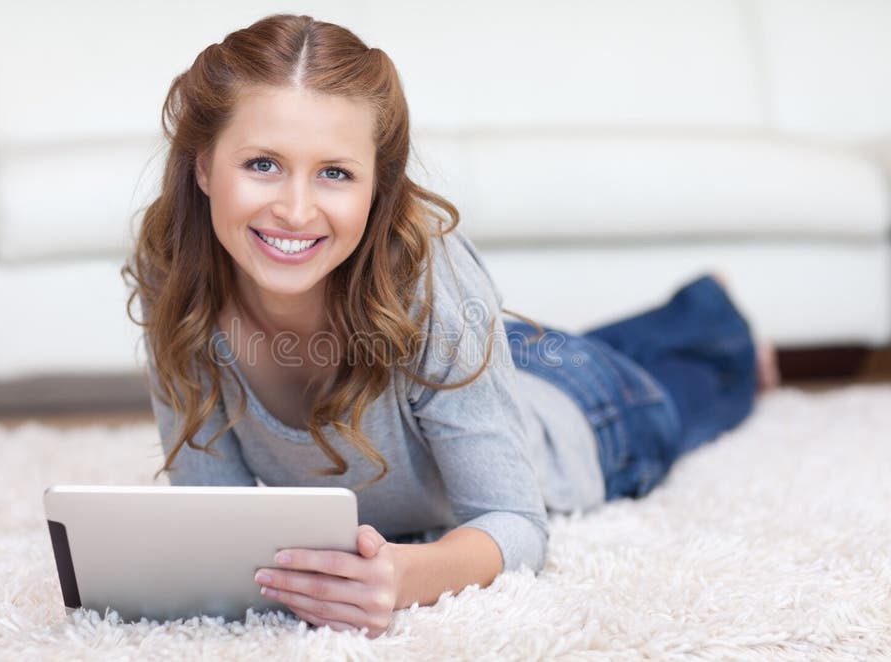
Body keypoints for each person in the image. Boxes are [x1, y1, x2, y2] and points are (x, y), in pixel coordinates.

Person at [121, 14, 780, 639]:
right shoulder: (175, 269)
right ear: (204, 165)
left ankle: (718, 318)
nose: (295, 209)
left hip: (586, 420)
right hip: (480, 360)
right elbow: (218, 519)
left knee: (691, 383)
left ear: (377, 185)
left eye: (335, 173)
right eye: (262, 163)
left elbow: (517, 523)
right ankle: (683, 314)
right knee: (545, 352)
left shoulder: (430, 282)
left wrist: (406, 576)